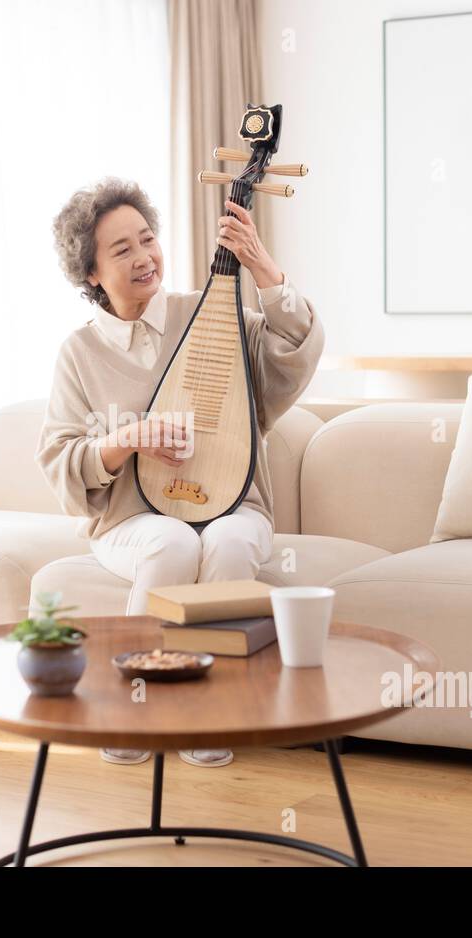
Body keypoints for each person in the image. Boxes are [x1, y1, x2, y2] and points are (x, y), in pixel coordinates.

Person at [38, 178, 323, 769]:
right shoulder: (79, 353)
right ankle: (133, 706)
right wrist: (125, 441)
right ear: (90, 273)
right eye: (122, 250)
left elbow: (291, 353)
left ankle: (210, 712)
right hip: (130, 519)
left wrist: (262, 265)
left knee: (229, 537)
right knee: (168, 539)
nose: (144, 257)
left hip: (233, 503)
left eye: (148, 239)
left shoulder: (212, 316)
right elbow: (61, 459)